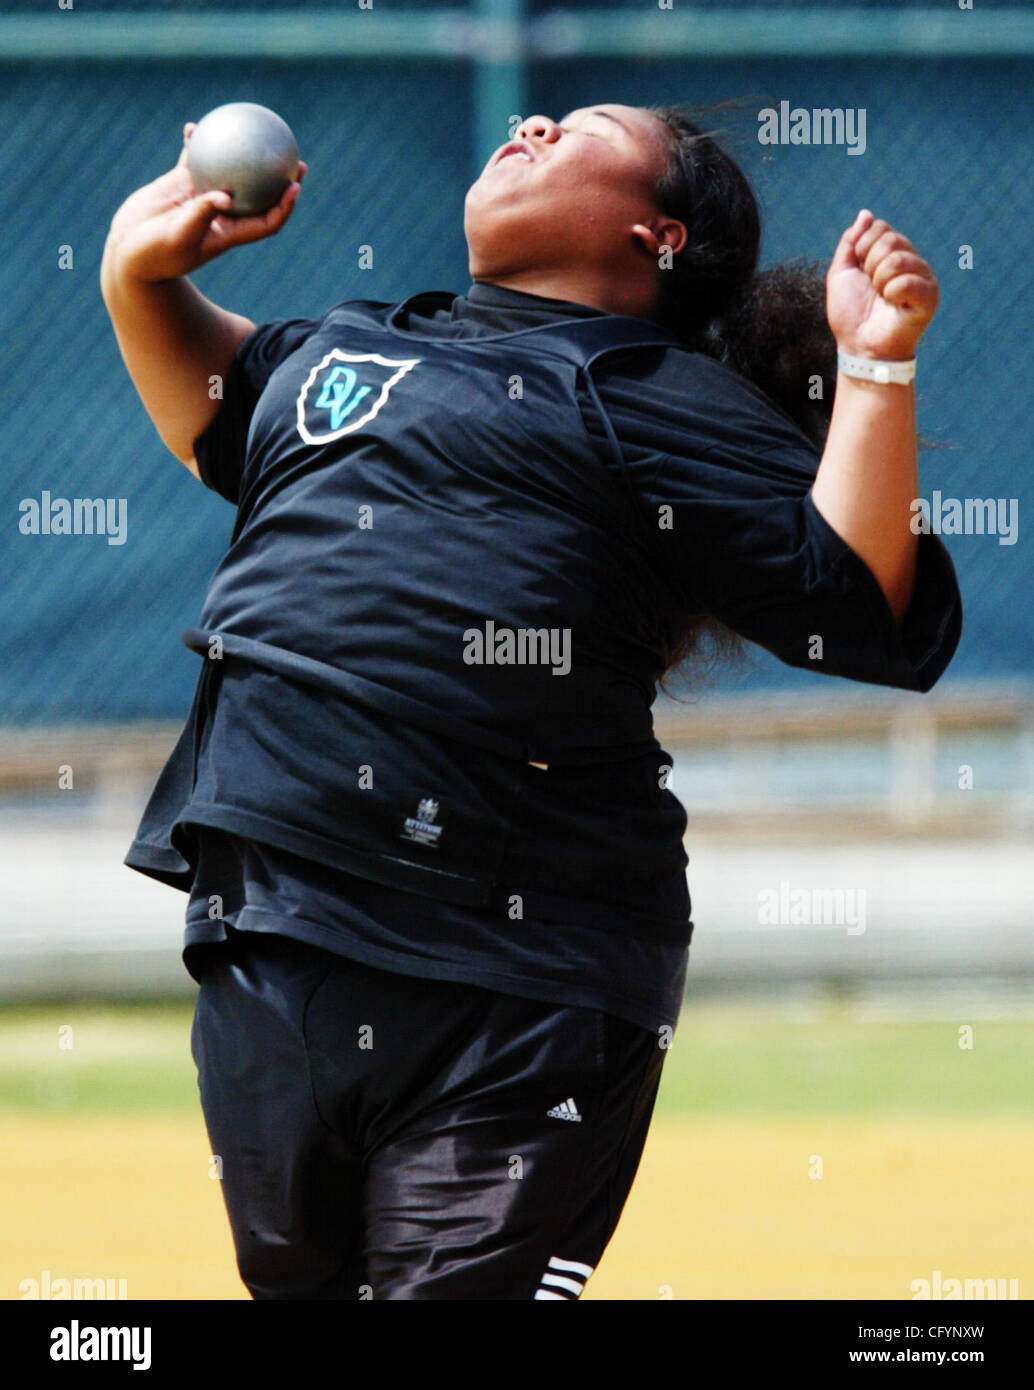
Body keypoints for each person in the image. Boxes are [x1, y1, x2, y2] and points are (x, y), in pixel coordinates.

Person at [101, 103, 962, 1300]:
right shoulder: (351, 345)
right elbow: (209, 407)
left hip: (519, 972)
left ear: (654, 238)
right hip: (275, 930)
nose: (532, 120)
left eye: (585, 126)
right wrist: (132, 271)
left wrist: (873, 365)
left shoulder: (647, 392)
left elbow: (862, 608)